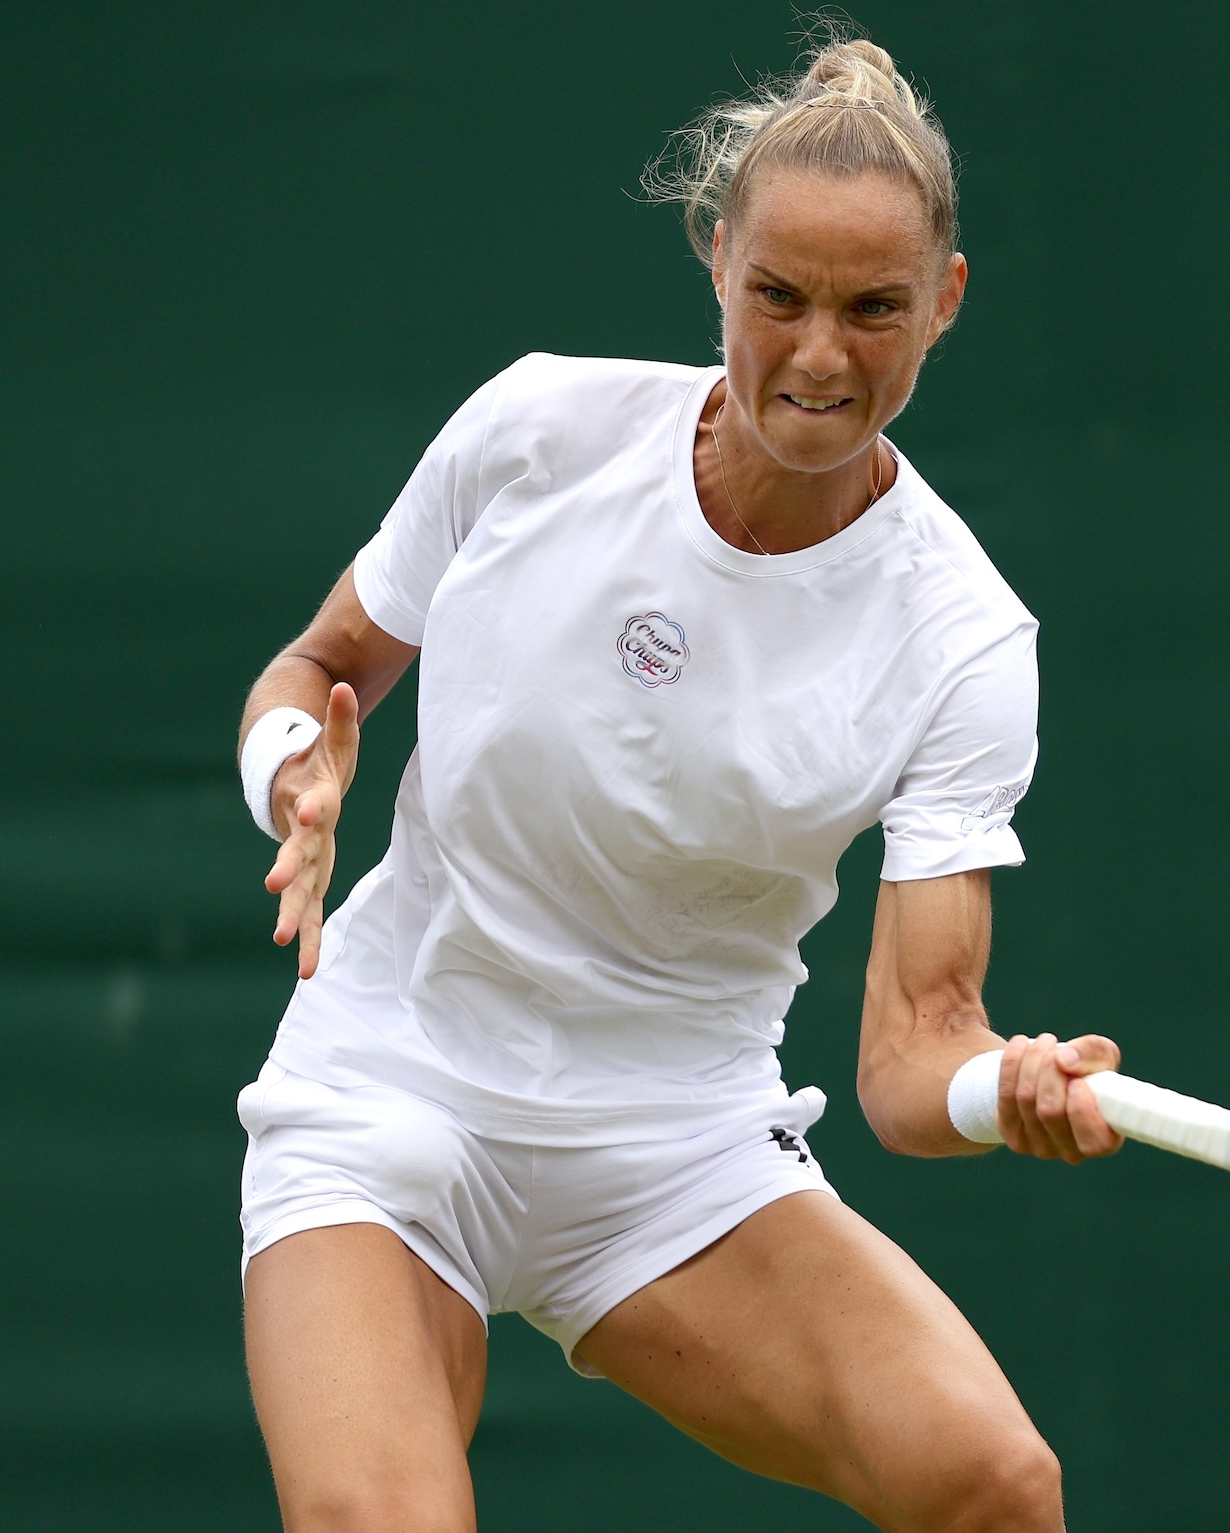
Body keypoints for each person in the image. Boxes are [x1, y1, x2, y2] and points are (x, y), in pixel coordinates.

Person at [230, 33, 1122, 1533]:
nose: (821, 354)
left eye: (874, 308)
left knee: (994, 1482)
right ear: (717, 259)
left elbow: (915, 1062)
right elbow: (314, 667)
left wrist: (1004, 1086)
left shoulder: (963, 637)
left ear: (945, 306)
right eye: (779, 294)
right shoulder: (536, 429)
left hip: (673, 1151)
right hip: (393, 1084)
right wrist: (293, 770)